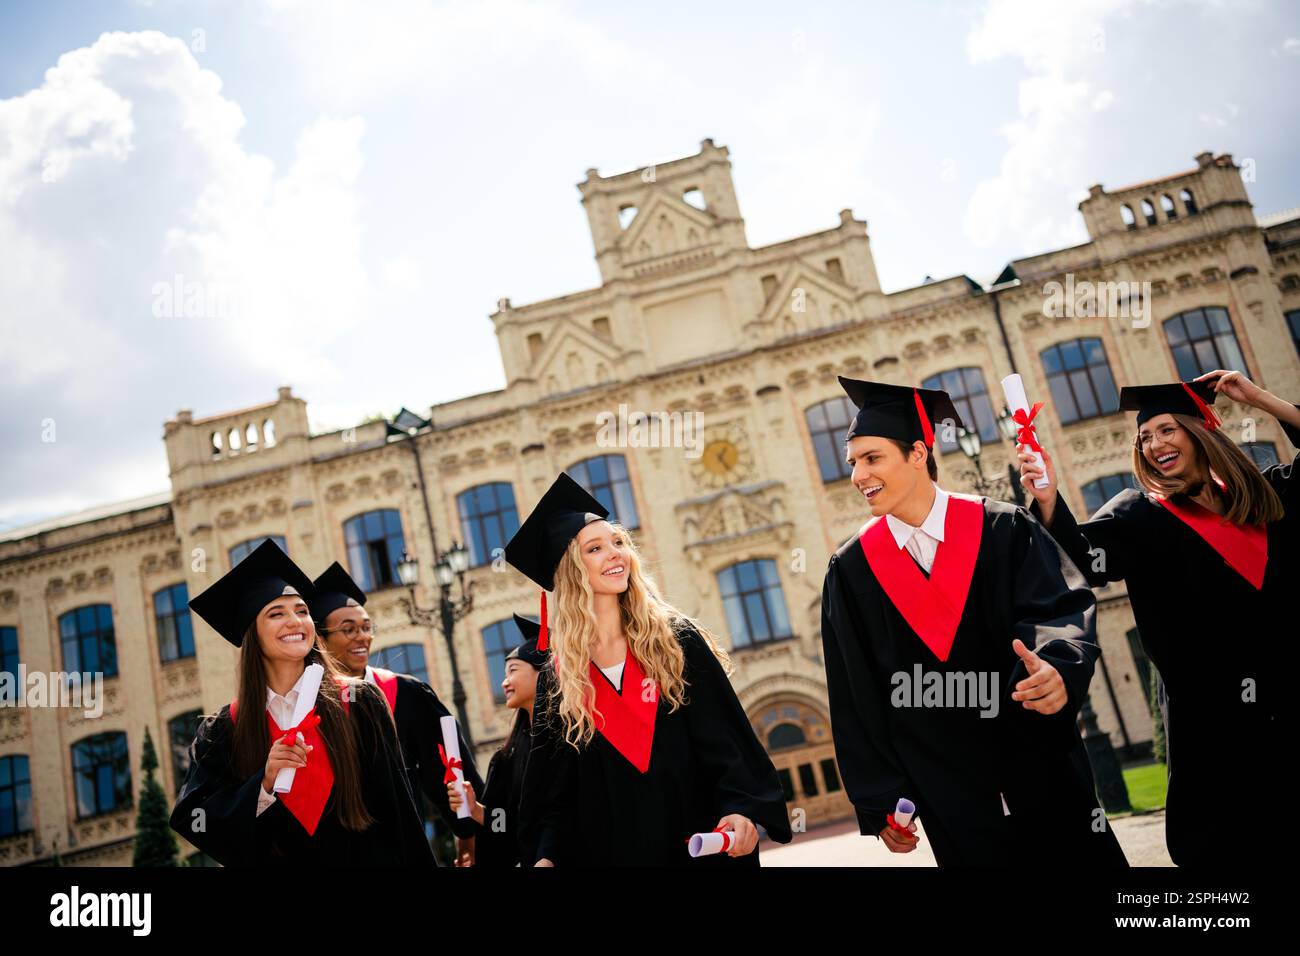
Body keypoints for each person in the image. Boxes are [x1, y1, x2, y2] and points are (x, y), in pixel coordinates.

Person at [821, 377, 1127, 866]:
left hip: (1040, 768)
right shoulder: (852, 569)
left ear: (918, 453)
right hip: (949, 792)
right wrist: (879, 800)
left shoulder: (1003, 527)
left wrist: (1057, 668)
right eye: (853, 461)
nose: (858, 475)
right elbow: (854, 691)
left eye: (872, 458)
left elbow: (1058, 608)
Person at [1018, 370, 1298, 866]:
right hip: (1211, 731)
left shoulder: (1263, 498)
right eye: (1145, 436)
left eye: (1167, 429)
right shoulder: (1140, 517)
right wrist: (1046, 499)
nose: (1153, 443)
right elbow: (1077, 558)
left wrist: (1259, 399)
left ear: (1201, 429)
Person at [509, 473, 793, 866]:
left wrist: (741, 809)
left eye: (619, 542)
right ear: (570, 570)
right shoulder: (562, 678)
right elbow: (556, 793)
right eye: (595, 548)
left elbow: (726, 741)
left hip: (700, 845)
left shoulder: (674, 643)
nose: (616, 554)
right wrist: (546, 856)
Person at [170, 540, 434, 866]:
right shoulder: (226, 728)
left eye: (303, 611)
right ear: (252, 633)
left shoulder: (360, 703)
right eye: (277, 613)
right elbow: (195, 817)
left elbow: (400, 817)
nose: (296, 621)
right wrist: (263, 784)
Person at [310, 561, 484, 865]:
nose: (362, 637)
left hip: (403, 849)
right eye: (348, 630)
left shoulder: (404, 693)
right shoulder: (307, 706)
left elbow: (446, 768)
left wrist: (467, 835)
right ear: (320, 640)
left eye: (366, 627)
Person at [446, 614, 544, 867]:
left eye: (513, 670)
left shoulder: (570, 741)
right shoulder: (508, 756)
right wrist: (476, 809)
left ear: (543, 673)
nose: (504, 682)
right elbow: (504, 825)